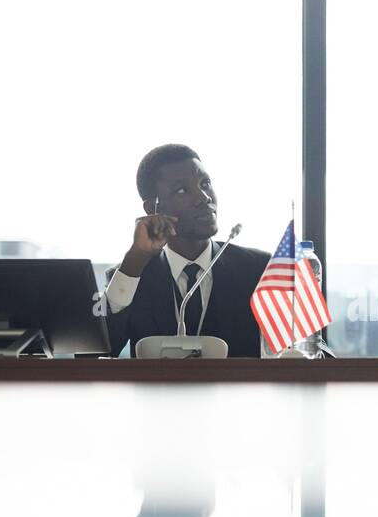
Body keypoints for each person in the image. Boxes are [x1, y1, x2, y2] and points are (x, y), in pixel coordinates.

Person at [103, 144, 270, 357]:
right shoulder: (131, 275)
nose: (204, 197)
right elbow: (90, 358)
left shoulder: (260, 270)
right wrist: (135, 258)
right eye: (182, 190)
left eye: (205, 183)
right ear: (153, 208)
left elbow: (305, 353)